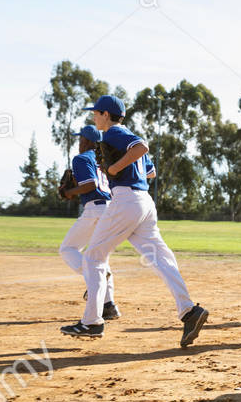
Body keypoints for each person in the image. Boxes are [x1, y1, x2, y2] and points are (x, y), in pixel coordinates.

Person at [59, 95, 208, 347]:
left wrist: (116, 168)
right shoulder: (117, 135)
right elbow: (150, 171)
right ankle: (189, 311)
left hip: (126, 200)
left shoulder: (113, 133)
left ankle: (92, 322)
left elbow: (142, 147)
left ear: (106, 115)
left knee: (94, 258)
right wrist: (122, 166)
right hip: (143, 201)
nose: (94, 116)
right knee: (162, 258)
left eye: (96, 113)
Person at [58, 124, 117, 321]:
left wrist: (68, 192)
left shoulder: (82, 158)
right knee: (101, 257)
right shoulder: (103, 161)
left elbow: (90, 185)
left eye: (81, 139)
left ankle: (96, 275)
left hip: (95, 210)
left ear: (87, 141)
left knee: (67, 248)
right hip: (111, 209)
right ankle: (109, 306)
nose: (79, 143)